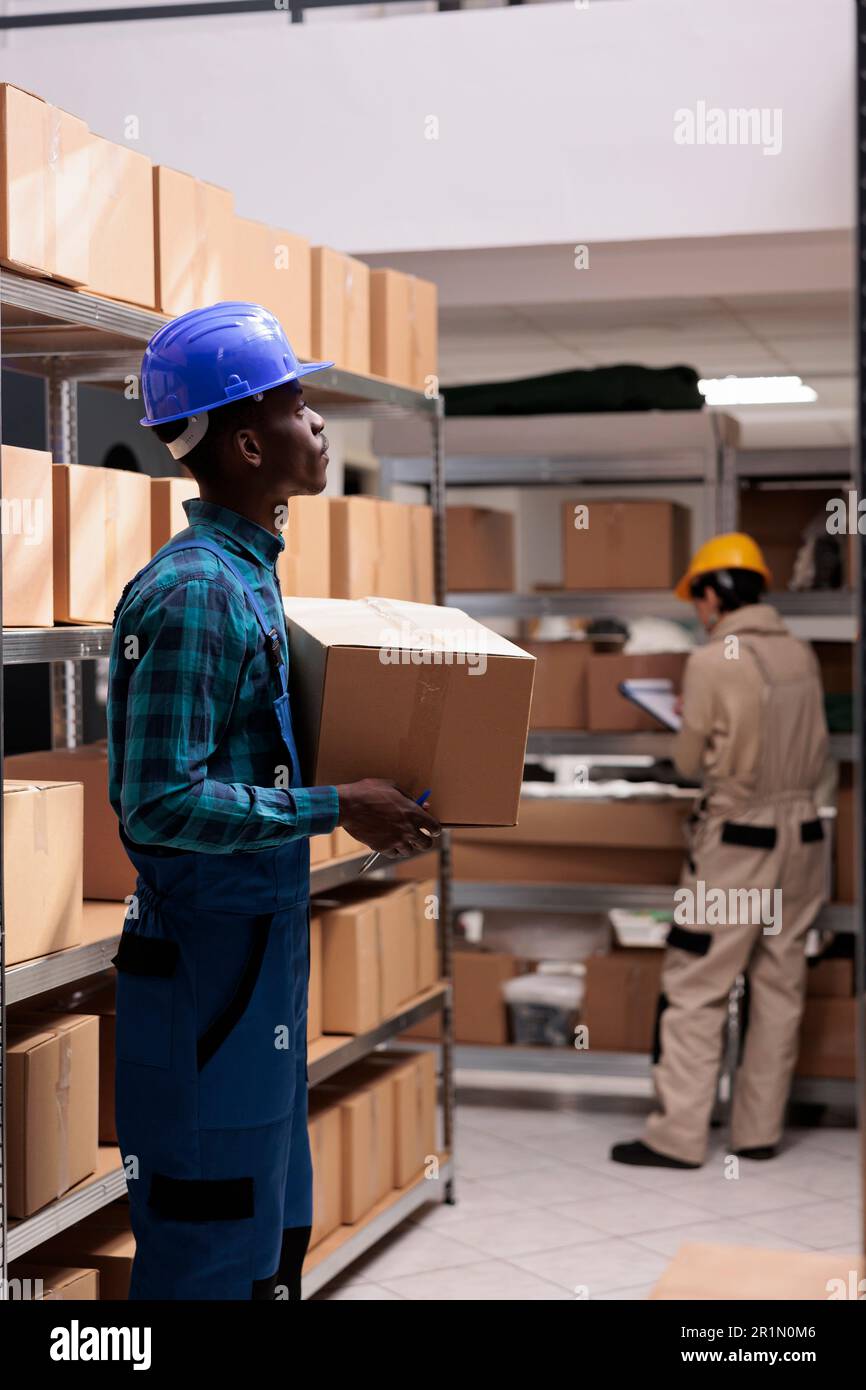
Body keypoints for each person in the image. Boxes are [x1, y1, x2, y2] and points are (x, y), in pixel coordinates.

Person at [106, 302, 441, 1299]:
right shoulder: (199, 590)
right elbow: (157, 802)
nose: (319, 422)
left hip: (254, 969)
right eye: (299, 404)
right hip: (210, 979)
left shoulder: (251, 579)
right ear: (249, 442)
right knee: (208, 1251)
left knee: (266, 1253)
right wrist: (335, 803)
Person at [611, 533, 835, 1170]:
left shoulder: (713, 660)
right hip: (804, 840)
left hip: (740, 844)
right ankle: (756, 1133)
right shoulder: (801, 653)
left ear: (713, 594)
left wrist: (689, 723)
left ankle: (676, 1136)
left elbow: (688, 762)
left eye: (699, 600)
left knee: (697, 983)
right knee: (779, 983)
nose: (700, 612)